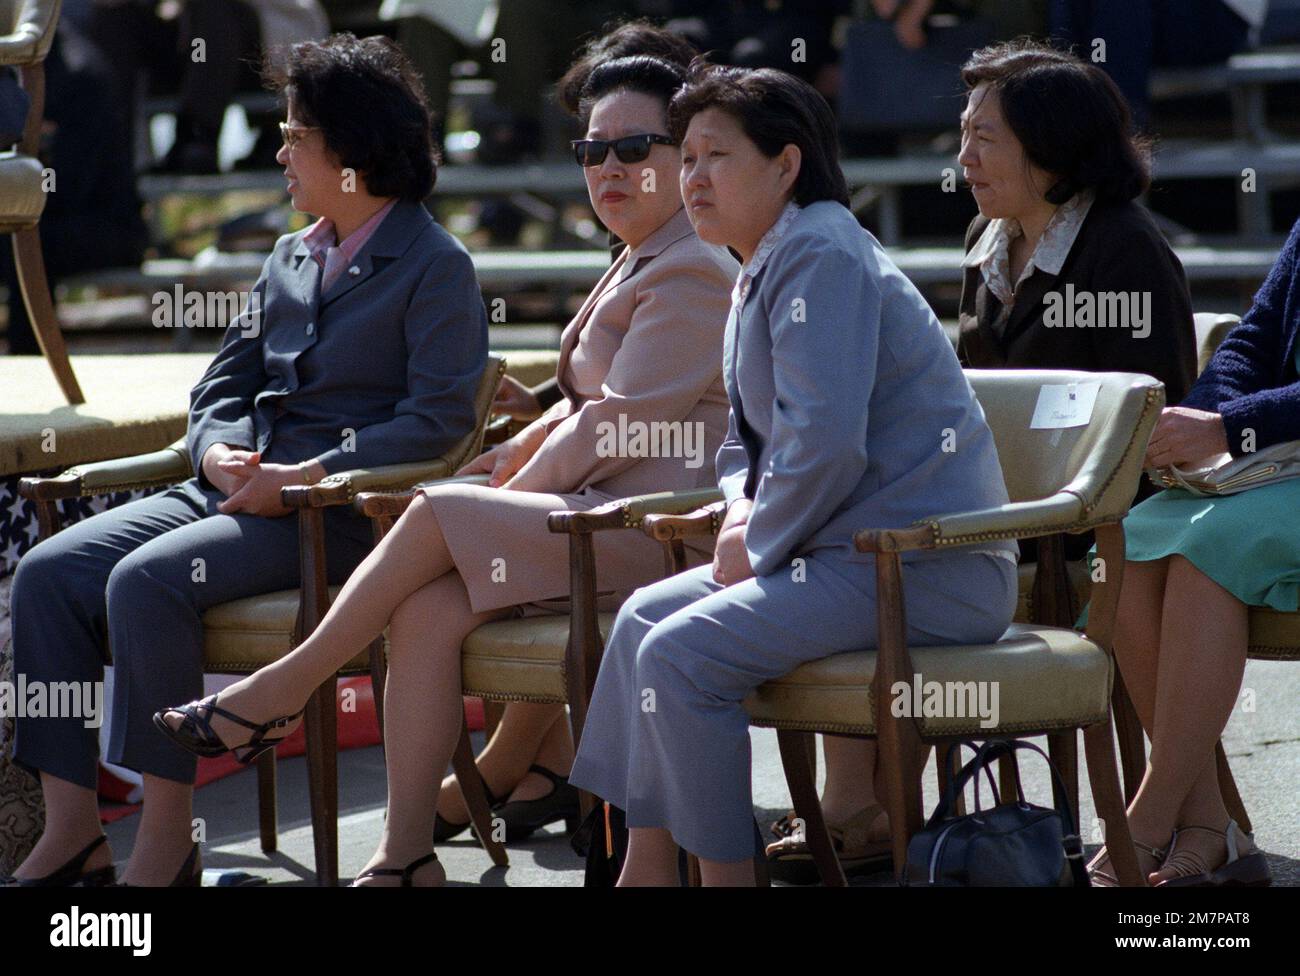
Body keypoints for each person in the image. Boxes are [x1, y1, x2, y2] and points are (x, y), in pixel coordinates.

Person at [156, 54, 737, 886]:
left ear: (684, 157)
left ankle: (282, 689)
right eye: (591, 151)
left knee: (434, 509)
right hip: (584, 524)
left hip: (653, 535)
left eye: (635, 148)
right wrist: (507, 462)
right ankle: (405, 857)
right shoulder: (645, 253)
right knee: (427, 610)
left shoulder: (688, 264)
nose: (610, 168)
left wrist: (497, 490)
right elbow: (585, 412)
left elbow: (618, 424)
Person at [2, 33, 487, 887]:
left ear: (352, 148)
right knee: (45, 573)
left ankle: (163, 841)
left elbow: (439, 422)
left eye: (297, 133)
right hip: (233, 491)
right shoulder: (289, 255)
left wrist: (312, 473)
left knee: (144, 582)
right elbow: (221, 384)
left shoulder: (436, 266)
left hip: (336, 516)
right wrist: (220, 449)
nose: (281, 149)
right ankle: (73, 828)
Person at [566, 61, 1019, 886]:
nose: (691, 176)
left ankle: (724, 879)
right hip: (839, 553)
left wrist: (759, 538)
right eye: (687, 157)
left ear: (786, 164)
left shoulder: (822, 253)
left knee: (677, 657)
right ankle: (647, 866)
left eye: (715, 156)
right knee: (637, 623)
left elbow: (824, 445)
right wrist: (743, 514)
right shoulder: (763, 259)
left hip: (923, 566)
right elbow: (746, 449)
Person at [767, 39, 1200, 881]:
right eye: (961, 135)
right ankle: (860, 804)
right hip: (986, 510)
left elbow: (1152, 431)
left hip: (1090, 529)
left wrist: (1027, 512)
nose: (962, 158)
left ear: (1053, 148)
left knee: (878, 562)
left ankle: (874, 806)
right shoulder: (985, 240)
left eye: (985, 138)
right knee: (834, 539)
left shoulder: (1124, 251)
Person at [1083, 219, 1299, 888]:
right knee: (1130, 544)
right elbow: (1255, 339)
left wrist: (1230, 426)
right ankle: (1209, 824)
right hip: (1278, 465)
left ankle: (1149, 817)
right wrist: (1196, 422)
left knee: (1207, 548)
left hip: (1277, 463)